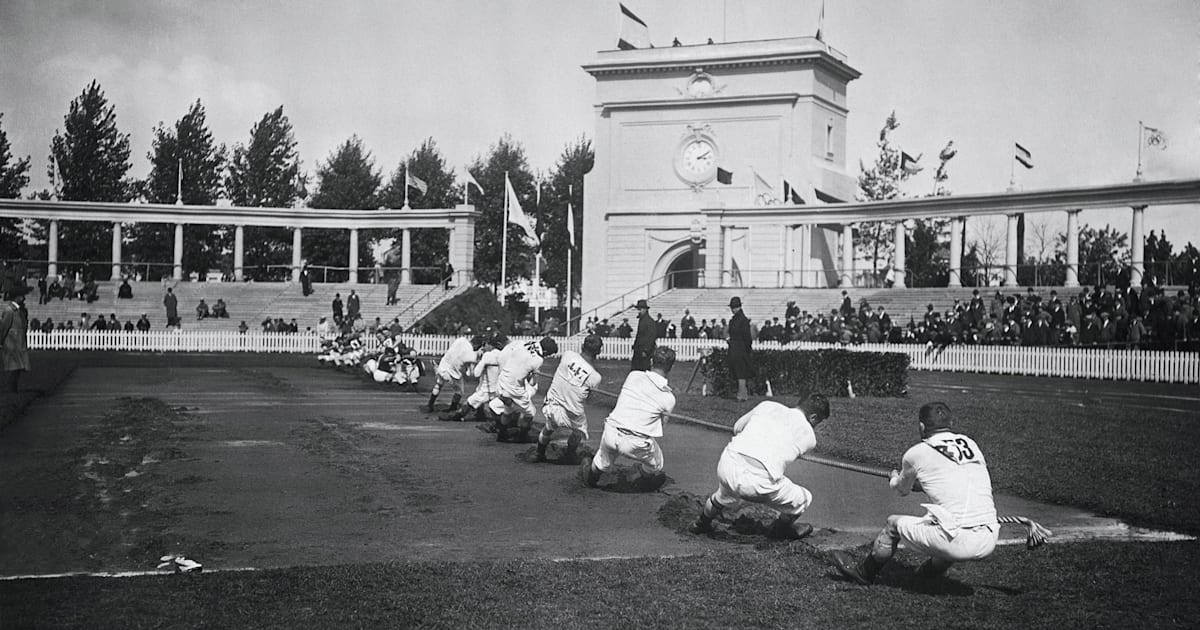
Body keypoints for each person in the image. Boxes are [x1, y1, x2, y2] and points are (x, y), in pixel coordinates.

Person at [831, 402, 999, 585]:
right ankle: (925, 576)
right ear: (950, 422)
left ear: (922, 426)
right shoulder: (971, 444)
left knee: (892, 525)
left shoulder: (916, 453)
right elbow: (954, 478)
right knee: (946, 523)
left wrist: (894, 477)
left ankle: (864, 573)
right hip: (989, 537)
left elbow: (901, 490)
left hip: (958, 540)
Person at [689, 393, 831, 539]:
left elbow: (737, 428)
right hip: (756, 484)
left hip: (728, 464)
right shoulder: (810, 437)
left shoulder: (768, 405)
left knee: (723, 494)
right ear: (813, 417)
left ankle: (701, 523)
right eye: (818, 422)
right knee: (804, 498)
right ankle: (779, 532)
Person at [581, 346, 677, 491]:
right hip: (636, 443)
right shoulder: (669, 398)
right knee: (657, 464)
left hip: (611, 431)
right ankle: (642, 482)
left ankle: (591, 477)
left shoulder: (633, 375)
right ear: (671, 367)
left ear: (651, 361)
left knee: (602, 461)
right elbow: (662, 425)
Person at [535, 334, 603, 464]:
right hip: (573, 412)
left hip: (552, 403)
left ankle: (540, 453)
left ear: (582, 346)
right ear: (598, 352)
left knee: (548, 427)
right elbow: (589, 398)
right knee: (578, 431)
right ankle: (570, 454)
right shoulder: (595, 377)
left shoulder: (568, 355)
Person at [487, 336, 559, 443]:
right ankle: (522, 436)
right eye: (548, 354)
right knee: (531, 412)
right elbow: (532, 382)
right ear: (545, 351)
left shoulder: (527, 343)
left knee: (508, 409)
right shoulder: (538, 360)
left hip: (502, 380)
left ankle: (502, 435)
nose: (548, 356)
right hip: (513, 387)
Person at [426, 334, 484, 413]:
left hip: (443, 365)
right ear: (477, 345)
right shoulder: (472, 355)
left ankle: (430, 405)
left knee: (439, 384)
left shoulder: (461, 340)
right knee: (459, 391)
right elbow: (469, 373)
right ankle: (453, 407)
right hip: (452, 373)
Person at [0, 285, 32, 393]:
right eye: (22, 296)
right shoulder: (9, 311)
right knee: (13, 369)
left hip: (18, 343)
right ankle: (10, 390)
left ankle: (13, 390)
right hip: (11, 344)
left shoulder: (20, 311)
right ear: (16, 297)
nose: (24, 298)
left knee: (17, 368)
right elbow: (3, 328)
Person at [727, 296, 754, 401]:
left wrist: (747, 349)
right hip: (734, 348)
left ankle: (742, 394)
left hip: (741, 348)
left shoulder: (743, 321)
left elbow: (747, 337)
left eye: (733, 307)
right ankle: (742, 392)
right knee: (737, 370)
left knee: (741, 371)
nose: (732, 310)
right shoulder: (735, 320)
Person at [631, 299, 656, 371]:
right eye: (638, 309)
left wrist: (646, 350)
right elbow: (639, 335)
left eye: (640, 309)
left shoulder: (649, 321)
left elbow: (651, 337)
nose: (639, 311)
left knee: (644, 371)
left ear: (645, 309)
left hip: (644, 352)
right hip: (638, 351)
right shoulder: (642, 320)